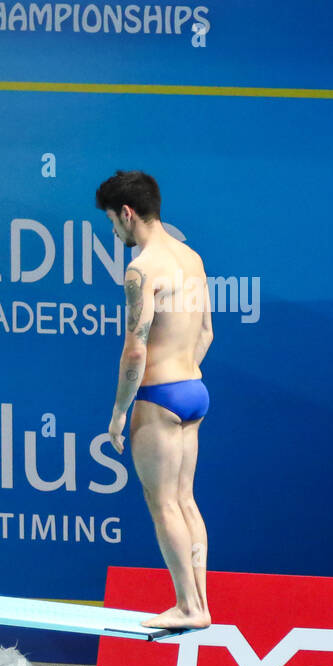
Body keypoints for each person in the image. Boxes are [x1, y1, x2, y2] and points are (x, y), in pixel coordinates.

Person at [96, 170, 213, 630]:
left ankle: (188, 607)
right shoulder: (191, 258)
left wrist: (120, 412)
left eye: (111, 222)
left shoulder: (141, 269)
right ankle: (199, 600)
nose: (113, 232)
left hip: (158, 394)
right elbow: (206, 332)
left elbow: (135, 348)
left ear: (127, 213)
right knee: (185, 500)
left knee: (162, 502)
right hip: (194, 390)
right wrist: (184, 375)